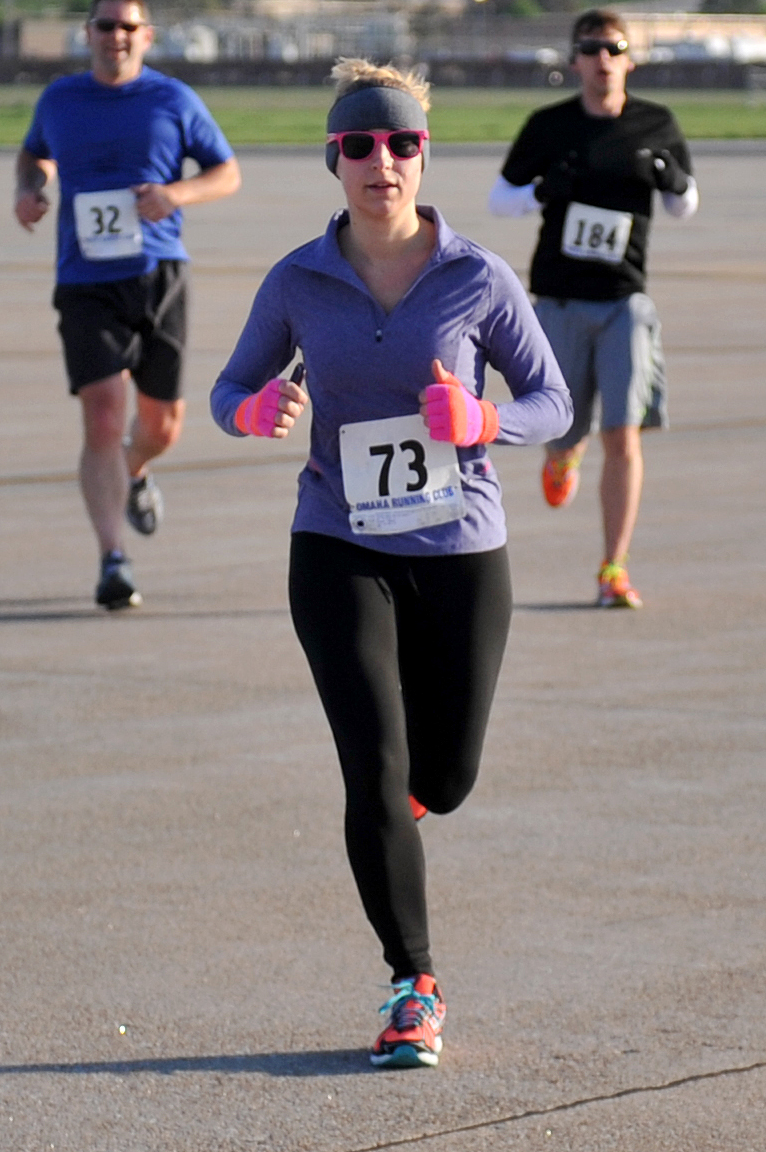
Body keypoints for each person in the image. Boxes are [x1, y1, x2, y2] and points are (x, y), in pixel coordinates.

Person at [211, 59, 572, 1070]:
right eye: (361, 146)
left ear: (424, 154)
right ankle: (412, 981)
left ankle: (397, 815)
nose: (383, 163)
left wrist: (487, 417)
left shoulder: (477, 278)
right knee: (372, 765)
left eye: (401, 143)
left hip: (460, 550)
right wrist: (251, 410)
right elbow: (231, 386)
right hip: (336, 544)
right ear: (334, 159)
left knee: (443, 777)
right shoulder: (298, 280)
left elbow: (555, 402)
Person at [16, 0, 242, 609]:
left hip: (159, 273)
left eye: (128, 27)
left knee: (162, 426)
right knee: (104, 411)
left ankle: (135, 468)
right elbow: (34, 155)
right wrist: (31, 190)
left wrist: (176, 195)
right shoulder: (60, 99)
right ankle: (112, 558)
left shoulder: (173, 99)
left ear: (145, 37)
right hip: (85, 279)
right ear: (85, 33)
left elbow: (227, 172)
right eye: (105, 25)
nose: (116, 36)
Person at [488, 8, 697, 609]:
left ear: (630, 58)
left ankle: (614, 568)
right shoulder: (549, 126)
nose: (602, 60)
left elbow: (686, 204)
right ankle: (562, 458)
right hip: (558, 298)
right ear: (574, 60)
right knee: (561, 427)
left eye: (613, 48)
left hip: (625, 301)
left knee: (623, 436)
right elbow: (500, 200)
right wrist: (539, 191)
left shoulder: (656, 123)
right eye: (590, 48)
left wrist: (668, 177)